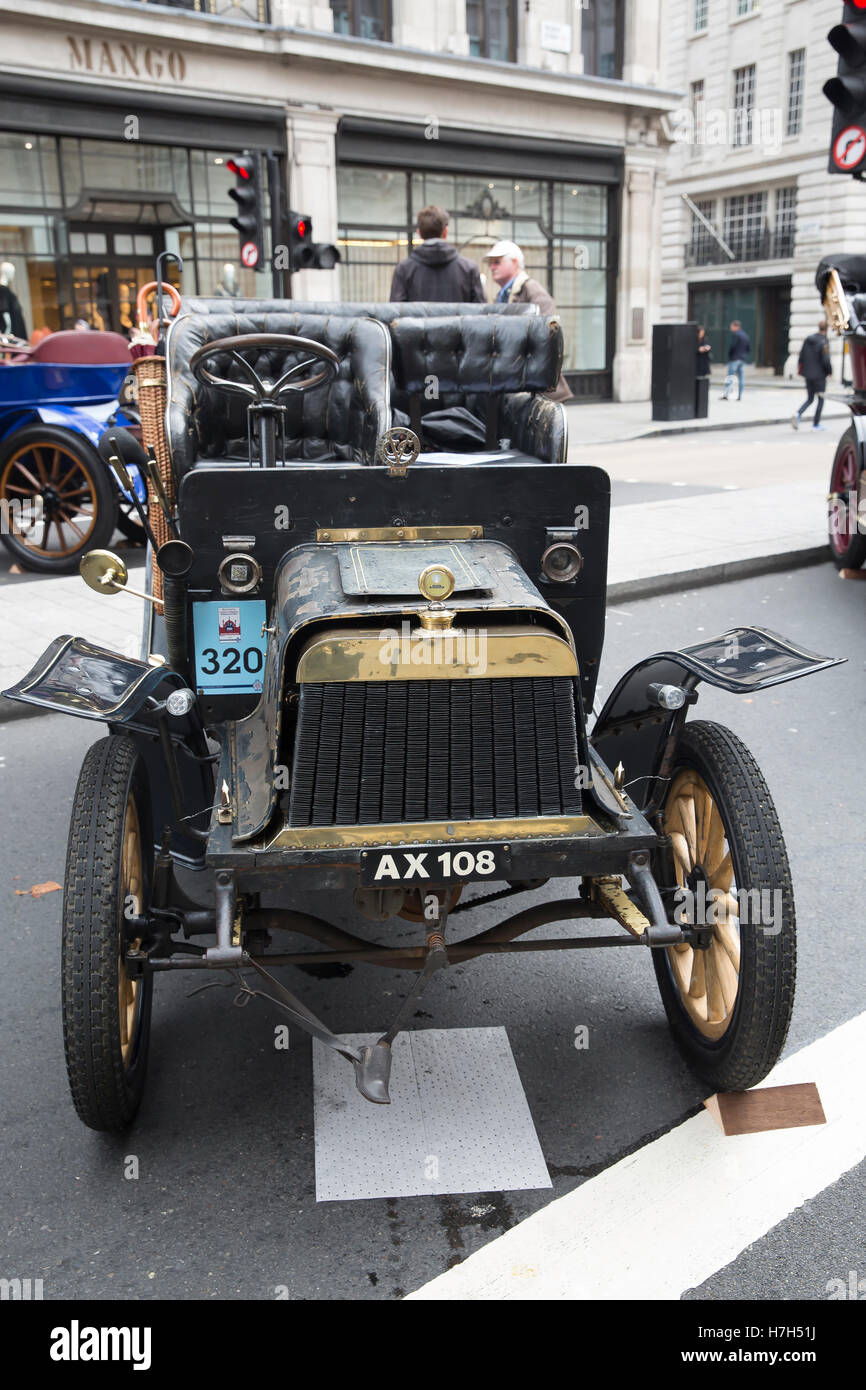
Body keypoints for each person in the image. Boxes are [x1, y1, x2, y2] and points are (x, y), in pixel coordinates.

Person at [484, 239, 573, 402]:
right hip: (518, 380)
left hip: (535, 385)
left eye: (497, 262)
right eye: (490, 263)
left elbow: (550, 331)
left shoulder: (530, 288)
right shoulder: (504, 294)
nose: (492, 267)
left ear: (515, 262)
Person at [390, 205, 485, 303]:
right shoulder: (469, 269)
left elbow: (396, 311)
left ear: (419, 233)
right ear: (445, 231)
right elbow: (481, 312)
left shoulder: (403, 270)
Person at [792, 319, 832, 432]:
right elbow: (826, 359)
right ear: (826, 329)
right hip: (819, 376)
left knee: (810, 398)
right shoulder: (824, 341)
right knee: (820, 399)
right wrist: (829, 371)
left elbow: (801, 356)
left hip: (808, 374)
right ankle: (816, 424)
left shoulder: (808, 339)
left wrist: (801, 370)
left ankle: (798, 413)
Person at [720, 319, 750, 400]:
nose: (731, 328)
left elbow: (732, 346)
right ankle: (739, 396)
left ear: (736, 326)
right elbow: (748, 348)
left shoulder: (736, 335)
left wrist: (730, 356)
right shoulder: (745, 335)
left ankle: (726, 395)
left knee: (730, 377)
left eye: (731, 326)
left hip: (735, 359)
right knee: (741, 378)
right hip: (742, 359)